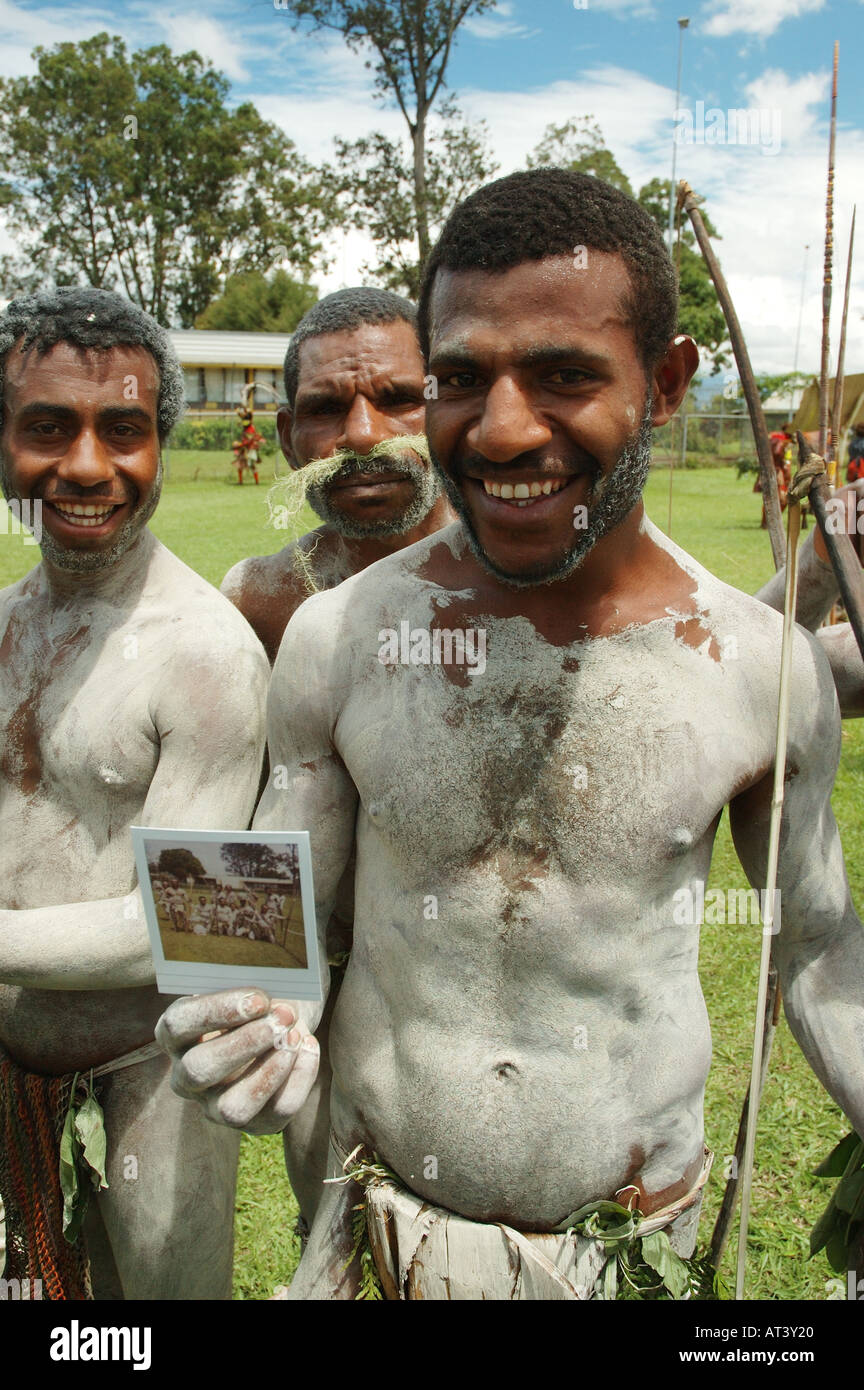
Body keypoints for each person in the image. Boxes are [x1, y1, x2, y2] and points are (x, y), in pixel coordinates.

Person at [158, 169, 864, 1300]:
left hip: (631, 1253)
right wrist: (251, 1013)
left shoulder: (755, 671)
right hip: (376, 1230)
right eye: (460, 378)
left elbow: (819, 949)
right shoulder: (337, 638)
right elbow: (280, 907)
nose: (502, 429)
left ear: (670, 382)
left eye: (565, 375)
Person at [0, 287, 270, 1300]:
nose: (83, 466)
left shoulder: (207, 656)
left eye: (122, 429)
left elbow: (196, 921)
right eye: (45, 427)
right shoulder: (2, 624)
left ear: (163, 442)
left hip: (150, 1066)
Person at [221, 288, 454, 664]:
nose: (363, 436)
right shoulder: (258, 599)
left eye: (398, 400)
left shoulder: (520, 574)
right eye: (326, 408)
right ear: (287, 439)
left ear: (448, 414)